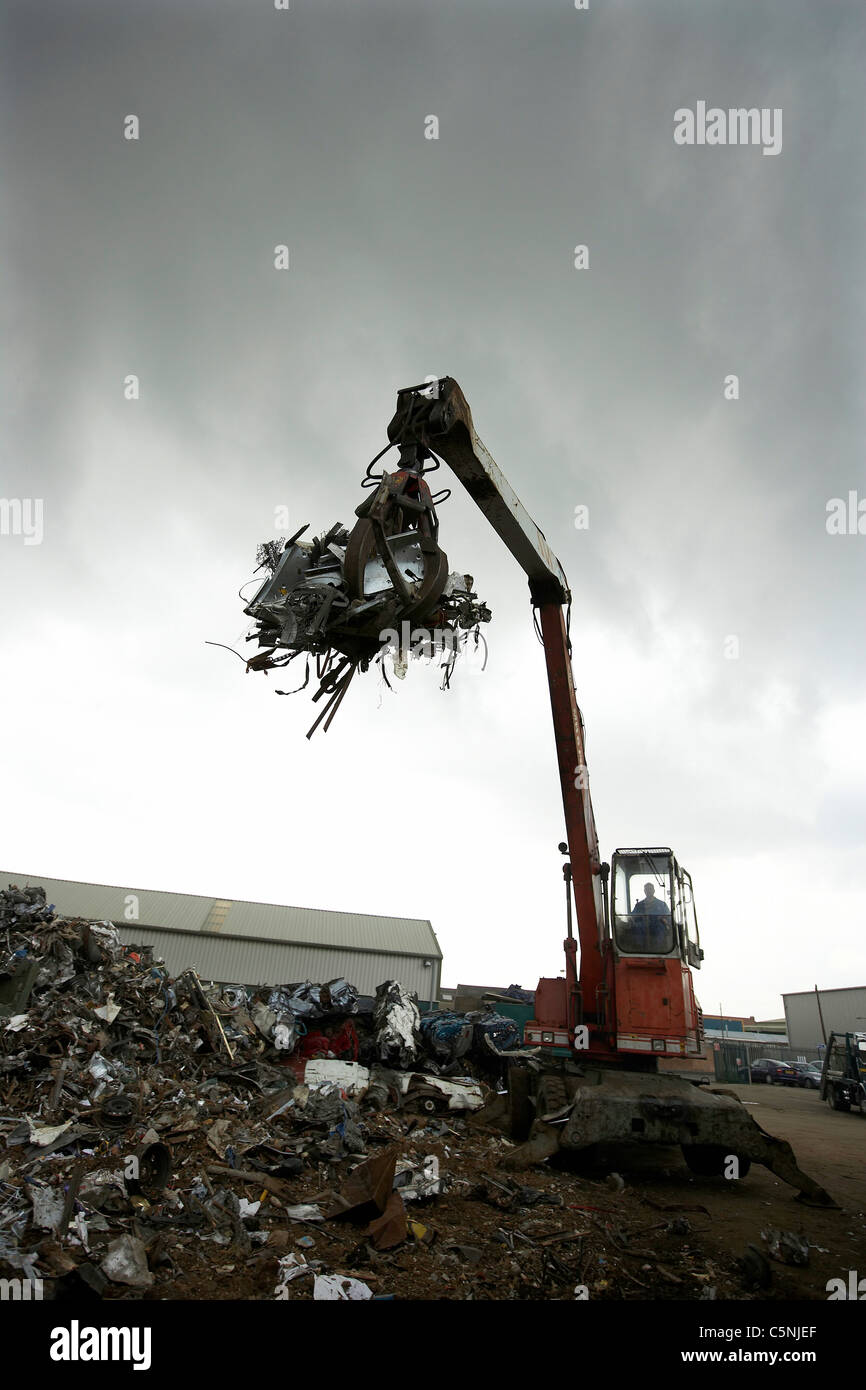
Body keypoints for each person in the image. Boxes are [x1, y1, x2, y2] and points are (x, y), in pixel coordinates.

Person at [629, 882, 671, 950]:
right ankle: (639, 947)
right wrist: (634, 919)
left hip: (657, 924)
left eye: (650, 889)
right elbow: (632, 916)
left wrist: (663, 919)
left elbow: (668, 917)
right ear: (644, 891)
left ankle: (658, 948)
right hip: (643, 924)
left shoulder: (662, 904)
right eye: (647, 889)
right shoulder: (639, 905)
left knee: (660, 928)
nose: (649, 891)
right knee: (637, 927)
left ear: (654, 891)